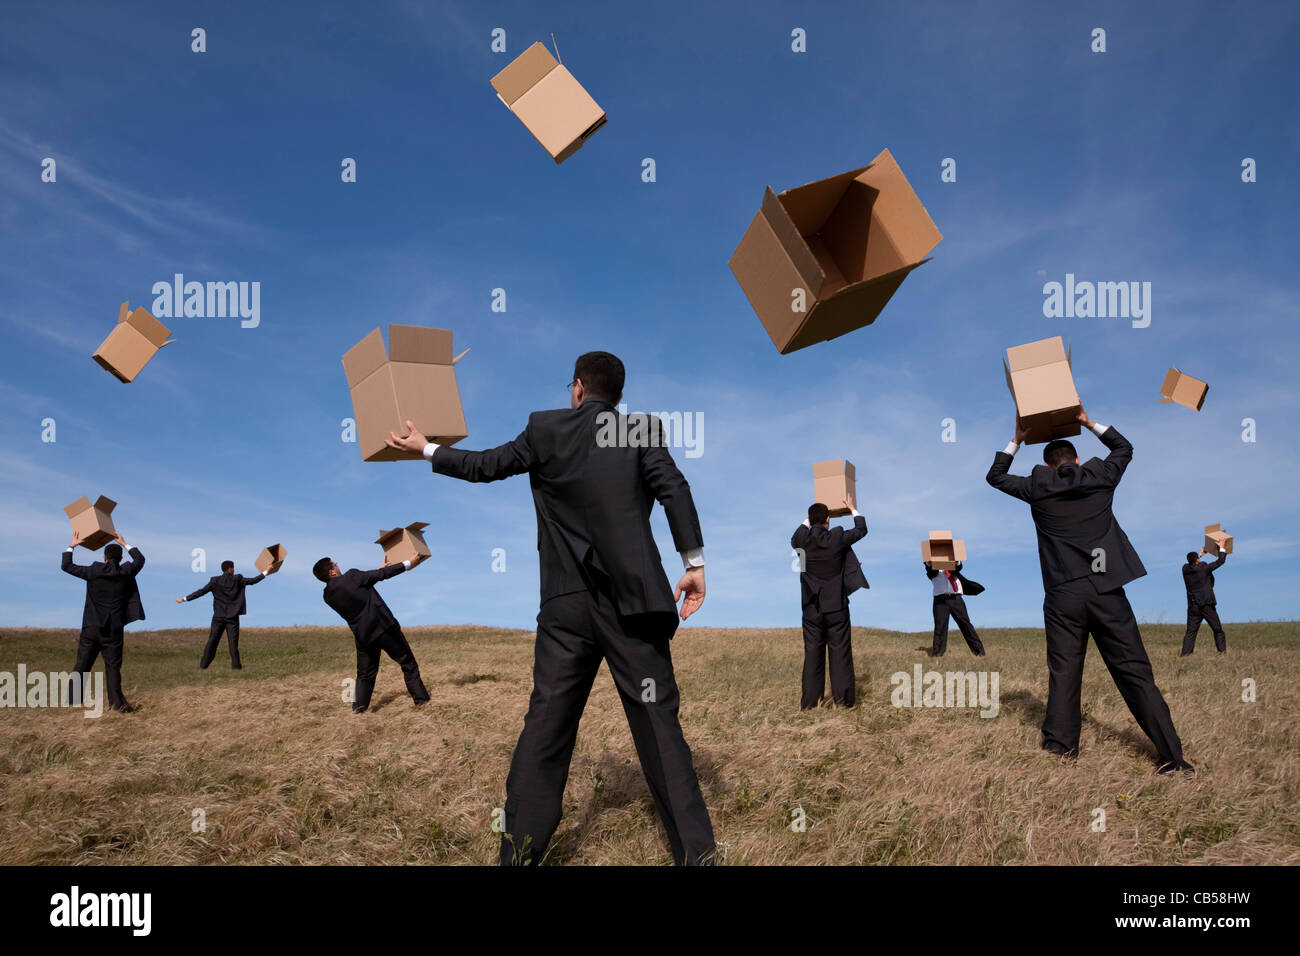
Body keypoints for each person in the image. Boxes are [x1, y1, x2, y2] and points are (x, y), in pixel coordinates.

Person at [384, 350, 715, 866]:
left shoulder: (544, 429)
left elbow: (485, 466)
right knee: (659, 728)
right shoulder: (641, 431)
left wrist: (426, 447)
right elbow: (674, 489)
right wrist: (693, 562)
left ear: (578, 387)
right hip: (635, 605)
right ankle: (698, 856)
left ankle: (518, 856)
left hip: (565, 607)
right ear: (618, 397)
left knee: (546, 726)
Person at [986, 408, 1192, 774]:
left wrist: (1017, 437)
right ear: (1076, 460)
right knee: (1134, 672)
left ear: (1048, 466)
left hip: (1064, 594)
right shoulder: (1098, 477)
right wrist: (1085, 420)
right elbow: (1124, 448)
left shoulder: (1038, 486)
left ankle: (1060, 748)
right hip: (1106, 589)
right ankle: (1173, 760)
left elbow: (996, 476)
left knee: (1064, 671)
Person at [313, 553, 430, 713]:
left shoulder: (328, 596)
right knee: (408, 664)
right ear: (332, 572)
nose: (338, 566)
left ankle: (358, 710)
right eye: (335, 564)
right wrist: (409, 563)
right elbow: (380, 577)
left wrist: (379, 569)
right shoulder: (352, 576)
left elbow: (364, 583)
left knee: (365, 675)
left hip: (364, 637)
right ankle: (422, 702)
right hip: (384, 628)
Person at [791, 494, 868, 708]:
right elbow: (861, 529)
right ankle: (843, 702)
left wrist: (810, 517)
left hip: (811, 609)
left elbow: (797, 533)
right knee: (840, 654)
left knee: (812, 656)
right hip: (836, 608)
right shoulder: (836, 537)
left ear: (810, 520)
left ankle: (810, 704)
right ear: (828, 520)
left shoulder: (801, 541)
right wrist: (852, 508)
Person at [61, 530, 145, 713]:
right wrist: (125, 542)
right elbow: (140, 560)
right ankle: (117, 704)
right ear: (121, 558)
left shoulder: (94, 571)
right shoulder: (126, 571)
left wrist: (72, 546)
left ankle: (72, 701)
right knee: (113, 667)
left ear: (105, 557)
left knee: (82, 664)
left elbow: (66, 566)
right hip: (113, 628)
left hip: (91, 626)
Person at [176, 560, 271, 669]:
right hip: (232, 618)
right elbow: (254, 581)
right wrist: (266, 570)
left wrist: (184, 599)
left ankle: (203, 666)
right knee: (233, 644)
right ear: (230, 569)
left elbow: (200, 592)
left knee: (212, 641)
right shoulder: (237, 579)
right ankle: (236, 667)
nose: (234, 570)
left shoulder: (215, 581)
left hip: (218, 617)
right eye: (233, 568)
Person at [923, 559, 986, 657]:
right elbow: (931, 573)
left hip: (956, 598)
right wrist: (930, 563)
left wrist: (956, 561)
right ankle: (937, 654)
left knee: (966, 625)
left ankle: (979, 652)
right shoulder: (931, 566)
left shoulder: (952, 563)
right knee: (940, 627)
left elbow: (958, 568)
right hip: (940, 599)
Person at [1181, 548, 1228, 656]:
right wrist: (1222, 547)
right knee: (1217, 630)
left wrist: (1200, 554)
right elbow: (1220, 561)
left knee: (1191, 632)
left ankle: (1185, 655)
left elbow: (1192, 563)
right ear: (1197, 560)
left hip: (1193, 606)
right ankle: (1222, 652)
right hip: (1206, 605)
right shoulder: (1203, 568)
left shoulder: (1185, 569)